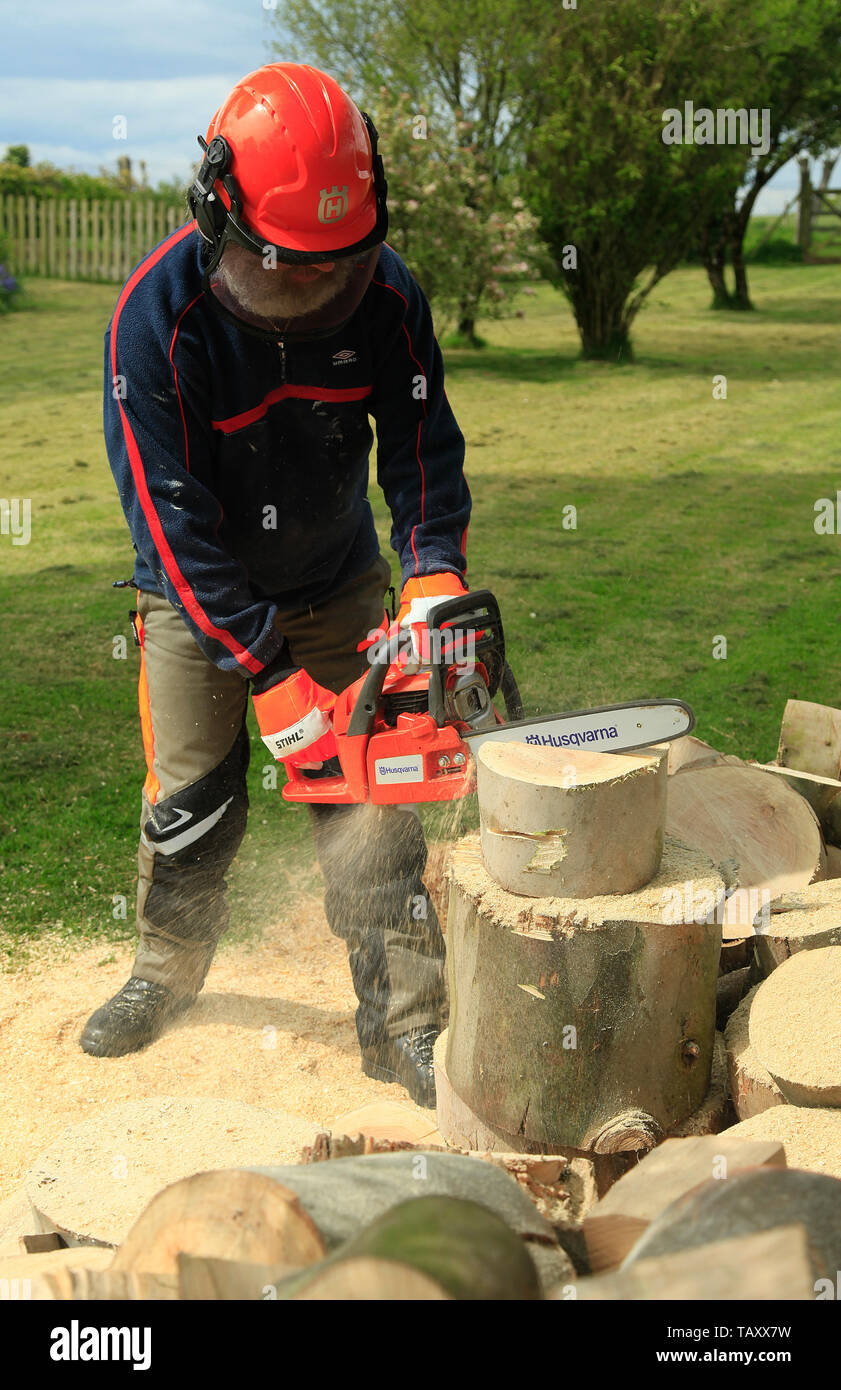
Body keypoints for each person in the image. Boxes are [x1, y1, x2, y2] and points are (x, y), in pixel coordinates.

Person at [82, 62, 472, 1108]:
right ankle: (163, 974)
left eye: (328, 267)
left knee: (371, 801)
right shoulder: (155, 320)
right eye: (283, 264)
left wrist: (432, 567)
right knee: (195, 804)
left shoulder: (387, 295)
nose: (305, 288)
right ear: (218, 209)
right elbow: (167, 526)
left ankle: (407, 1026)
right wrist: (262, 671)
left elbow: (424, 446)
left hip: (338, 576)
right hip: (194, 593)